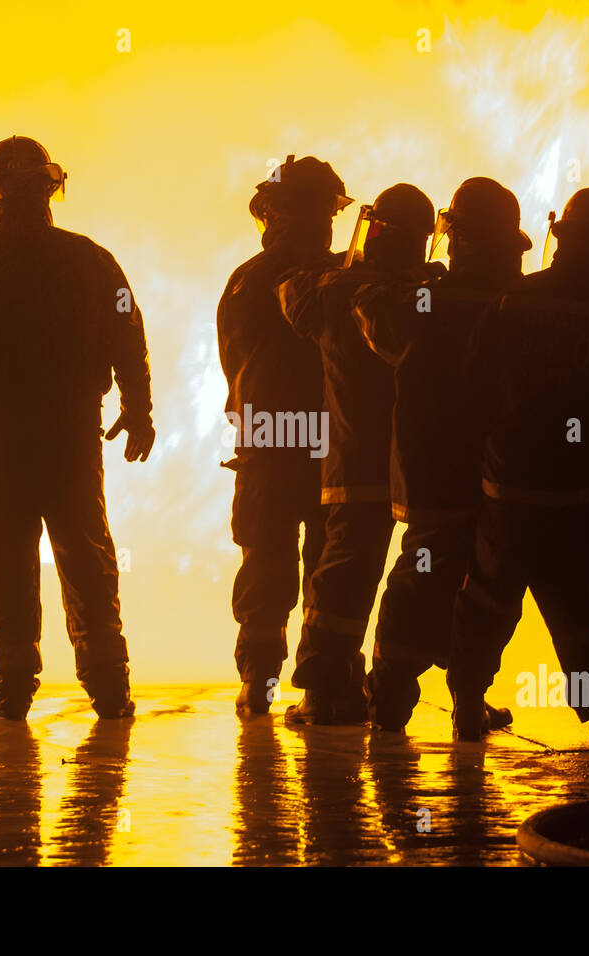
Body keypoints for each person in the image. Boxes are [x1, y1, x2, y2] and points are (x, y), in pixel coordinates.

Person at [0, 135, 153, 721]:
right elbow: (127, 332)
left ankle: (12, 685)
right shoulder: (90, 259)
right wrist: (138, 408)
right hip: (71, 430)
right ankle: (109, 685)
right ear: (51, 188)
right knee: (85, 549)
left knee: (3, 552)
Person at [449, 185, 589, 750]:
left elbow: (471, 390)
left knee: (490, 599)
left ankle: (466, 706)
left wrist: (485, 468)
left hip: (515, 494)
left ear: (561, 237)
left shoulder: (514, 300)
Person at [351, 177, 529, 733]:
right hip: (505, 478)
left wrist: (404, 279)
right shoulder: (524, 304)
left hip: (434, 475)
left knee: (420, 578)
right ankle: (470, 704)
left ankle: (389, 701)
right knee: (489, 587)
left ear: (458, 239)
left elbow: (372, 314)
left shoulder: (427, 301)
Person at [276, 183, 442, 725]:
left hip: (356, 463)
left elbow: (290, 294)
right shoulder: (425, 299)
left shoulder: (332, 291)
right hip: (421, 466)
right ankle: (401, 692)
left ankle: (326, 693)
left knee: (343, 580)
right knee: (431, 574)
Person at [217, 155, 351, 717]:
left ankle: (260, 683)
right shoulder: (344, 277)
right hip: (329, 447)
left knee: (267, 563)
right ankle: (326, 686)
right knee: (330, 566)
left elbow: (233, 364)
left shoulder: (246, 278)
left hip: (268, 443)